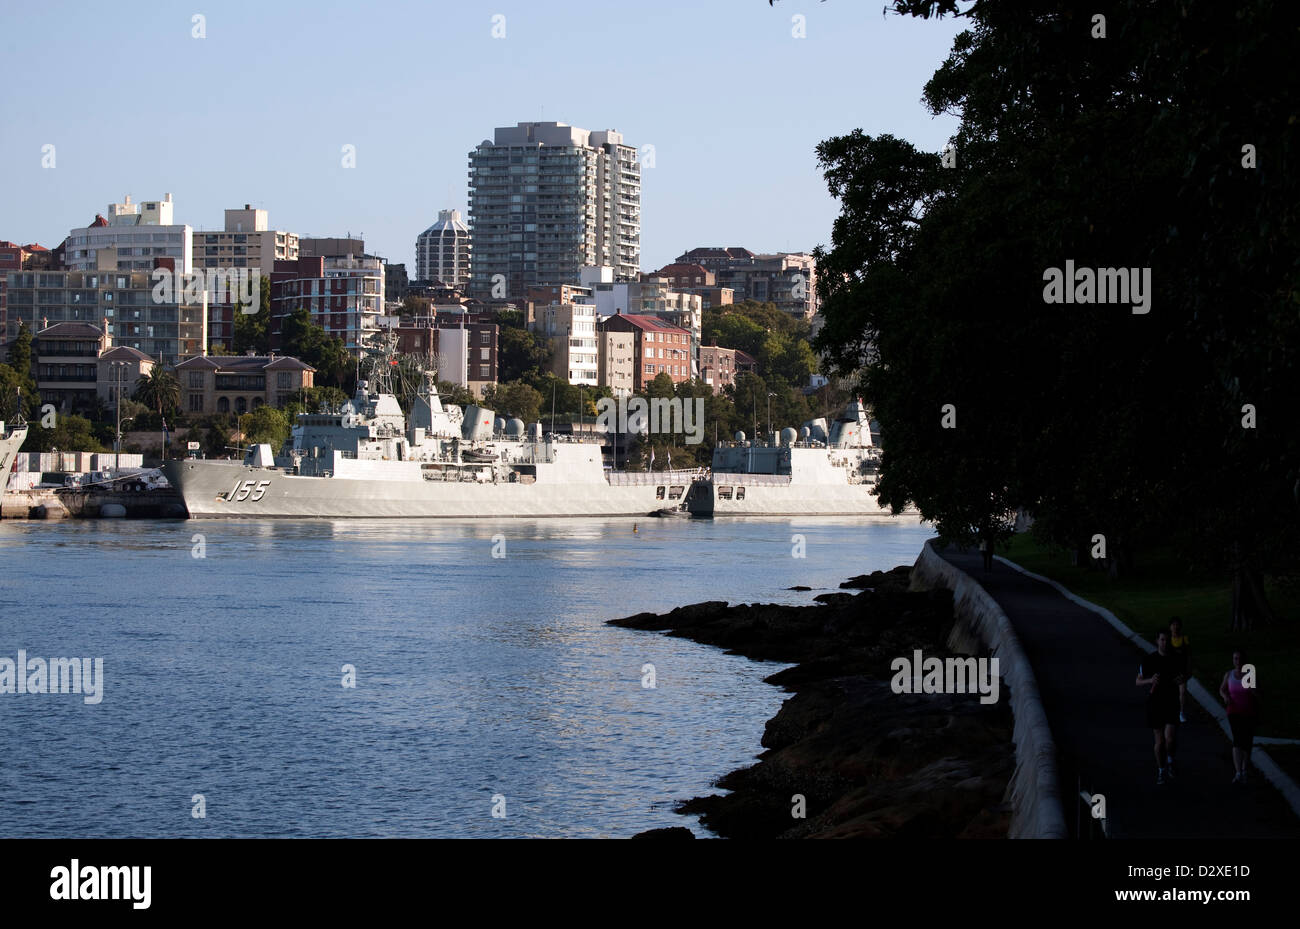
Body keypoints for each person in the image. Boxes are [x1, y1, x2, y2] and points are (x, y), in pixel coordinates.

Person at [1136, 629, 1183, 784]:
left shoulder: (1176, 658)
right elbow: (1138, 681)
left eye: (1167, 640)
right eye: (1162, 640)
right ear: (1157, 641)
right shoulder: (1149, 660)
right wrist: (1150, 681)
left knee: (1170, 738)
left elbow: (1185, 674)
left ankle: (1170, 760)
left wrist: (1181, 679)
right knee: (1160, 741)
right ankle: (1161, 770)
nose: (1165, 643)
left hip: (1171, 702)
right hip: (1155, 703)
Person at [1219, 648, 1259, 785]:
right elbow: (1222, 689)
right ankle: (1238, 772)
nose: (1238, 661)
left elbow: (1258, 694)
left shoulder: (1250, 675)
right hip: (1233, 711)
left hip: (1249, 712)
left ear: (1245, 660)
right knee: (1237, 739)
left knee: (1247, 742)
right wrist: (1225, 697)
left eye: (1240, 659)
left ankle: (1244, 770)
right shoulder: (1228, 675)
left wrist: (1251, 687)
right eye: (1235, 658)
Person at [1169, 617, 1191, 723]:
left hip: (1181, 670)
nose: (1175, 627)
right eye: (1173, 625)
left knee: (1182, 692)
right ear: (1170, 627)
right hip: (1170, 671)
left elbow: (1188, 655)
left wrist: (1188, 669)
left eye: (1177, 625)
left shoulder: (1184, 639)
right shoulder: (1167, 640)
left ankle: (1181, 712)